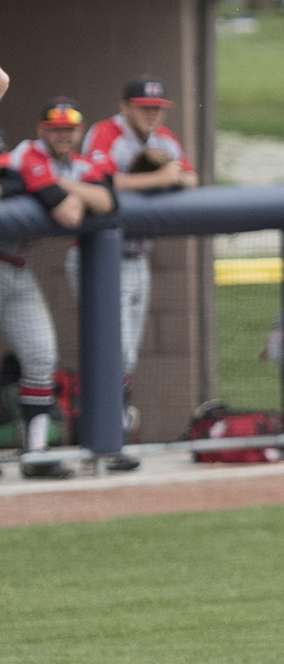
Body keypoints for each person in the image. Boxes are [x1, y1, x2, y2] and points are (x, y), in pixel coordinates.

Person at [69, 76, 199, 465]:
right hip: (99, 260)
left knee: (128, 356)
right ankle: (102, 439)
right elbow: (100, 182)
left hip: (138, 258)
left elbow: (190, 178)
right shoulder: (105, 132)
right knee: (115, 351)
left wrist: (168, 173)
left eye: (156, 108)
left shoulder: (164, 140)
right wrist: (158, 178)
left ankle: (114, 434)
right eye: (143, 107)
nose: (151, 113)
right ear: (125, 107)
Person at [5, 99, 117, 480]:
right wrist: (73, 191)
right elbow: (70, 214)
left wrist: (63, 185)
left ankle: (36, 453)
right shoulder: (27, 156)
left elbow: (108, 201)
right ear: (41, 130)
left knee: (40, 357)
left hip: (18, 270)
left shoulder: (77, 165)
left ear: (79, 131)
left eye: (69, 129)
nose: (63, 135)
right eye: (55, 129)